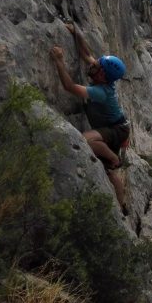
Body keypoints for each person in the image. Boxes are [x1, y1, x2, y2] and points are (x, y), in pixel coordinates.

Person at [50, 23, 129, 208]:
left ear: (102, 75)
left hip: (116, 129)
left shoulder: (101, 92)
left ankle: (114, 158)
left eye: (97, 67)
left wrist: (59, 61)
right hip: (118, 128)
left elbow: (69, 87)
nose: (93, 66)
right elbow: (86, 54)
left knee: (85, 139)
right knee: (110, 172)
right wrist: (76, 32)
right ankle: (122, 205)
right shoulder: (103, 75)